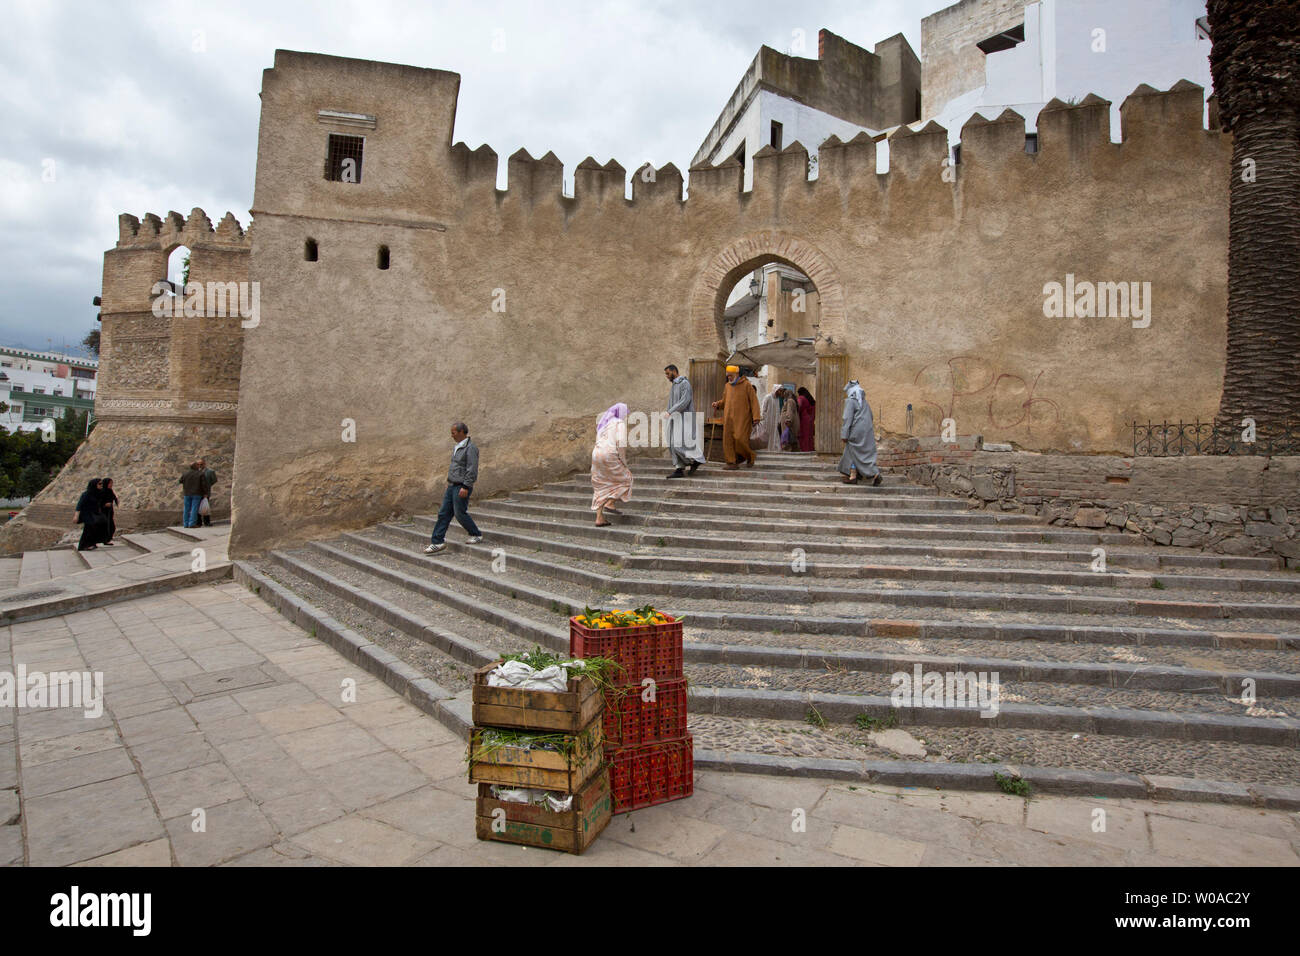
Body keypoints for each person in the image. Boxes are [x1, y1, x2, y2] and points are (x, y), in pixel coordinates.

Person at [424, 422, 483, 554]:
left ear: (462, 432)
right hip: (452, 485)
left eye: (453, 433)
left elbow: (472, 469)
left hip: (462, 486)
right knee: (443, 513)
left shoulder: (470, 448)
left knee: (459, 513)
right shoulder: (457, 447)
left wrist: (466, 486)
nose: (451, 436)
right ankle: (437, 541)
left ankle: (476, 534)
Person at [710, 365, 761, 470]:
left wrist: (756, 416)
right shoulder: (727, 386)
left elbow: (754, 401)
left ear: (737, 374)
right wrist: (718, 404)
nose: (729, 377)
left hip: (742, 419)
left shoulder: (747, 385)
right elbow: (724, 401)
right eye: (728, 376)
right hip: (728, 418)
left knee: (740, 439)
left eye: (730, 375)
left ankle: (750, 456)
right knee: (728, 440)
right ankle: (731, 462)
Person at [590, 402, 632, 526]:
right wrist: (624, 462)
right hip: (610, 454)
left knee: (601, 484)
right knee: (627, 479)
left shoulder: (604, 424)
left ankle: (599, 518)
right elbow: (620, 443)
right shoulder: (619, 423)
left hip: (596, 454)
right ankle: (610, 502)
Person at [664, 364, 704, 479]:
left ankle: (696, 460)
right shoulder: (675, 385)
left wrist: (670, 411)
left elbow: (684, 401)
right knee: (672, 443)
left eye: (668, 373)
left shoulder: (684, 383)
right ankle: (679, 468)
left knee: (679, 444)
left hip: (684, 419)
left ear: (674, 371)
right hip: (675, 419)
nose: (667, 376)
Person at [839, 379, 882, 486]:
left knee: (853, 450)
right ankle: (852, 475)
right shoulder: (865, 402)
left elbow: (847, 418)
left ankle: (873, 473)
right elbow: (871, 416)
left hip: (855, 431)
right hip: (867, 431)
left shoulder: (850, 401)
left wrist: (844, 434)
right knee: (856, 452)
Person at [74, 479, 107, 552]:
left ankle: (92, 543)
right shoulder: (86, 494)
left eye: (102, 484)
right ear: (94, 485)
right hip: (87, 513)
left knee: (95, 528)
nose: (101, 485)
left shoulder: (98, 493)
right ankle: (84, 545)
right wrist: (76, 516)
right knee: (88, 529)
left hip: (94, 513)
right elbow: (79, 505)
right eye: (99, 484)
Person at [179, 461, 210, 528]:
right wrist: (205, 493)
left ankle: (185, 524)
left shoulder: (185, 474)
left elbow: (180, 481)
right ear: (196, 466)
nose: (199, 466)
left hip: (187, 493)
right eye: (198, 465)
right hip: (197, 493)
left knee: (186, 508)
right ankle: (192, 523)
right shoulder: (200, 474)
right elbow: (204, 485)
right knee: (194, 508)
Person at [754, 384, 783, 452]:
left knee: (775, 434)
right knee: (767, 435)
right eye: (779, 391)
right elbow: (763, 408)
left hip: (774, 421)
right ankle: (767, 448)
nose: (780, 393)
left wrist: (778, 420)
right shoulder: (768, 397)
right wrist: (764, 418)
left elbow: (778, 409)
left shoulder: (777, 399)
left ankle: (774, 448)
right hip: (767, 421)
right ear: (776, 390)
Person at [98, 477, 119, 546]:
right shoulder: (102, 492)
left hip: (109, 512)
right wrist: (105, 505)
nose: (111, 485)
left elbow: (113, 497)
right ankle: (104, 540)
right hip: (103, 512)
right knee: (105, 527)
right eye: (110, 483)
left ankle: (107, 539)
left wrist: (116, 500)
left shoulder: (110, 491)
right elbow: (98, 502)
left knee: (111, 527)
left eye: (112, 483)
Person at [778, 386, 799, 450]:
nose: (783, 396)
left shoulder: (790, 401)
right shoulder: (791, 400)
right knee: (788, 436)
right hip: (788, 422)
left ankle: (788, 449)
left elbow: (790, 411)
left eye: (785, 394)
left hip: (788, 423)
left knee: (787, 437)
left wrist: (788, 420)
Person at [797, 387, 816, 451]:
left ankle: (804, 449)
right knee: (809, 436)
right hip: (810, 420)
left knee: (804, 436)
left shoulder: (801, 398)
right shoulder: (810, 399)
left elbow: (799, 407)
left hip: (803, 419)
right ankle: (810, 449)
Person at [198, 458, 216, 526]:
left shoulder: (210, 471)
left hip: (206, 492)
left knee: (206, 507)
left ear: (204, 464)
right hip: (198, 492)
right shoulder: (196, 471)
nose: (200, 466)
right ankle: (199, 522)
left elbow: (214, 480)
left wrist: (208, 486)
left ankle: (207, 522)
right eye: (198, 464)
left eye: (201, 464)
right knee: (198, 507)